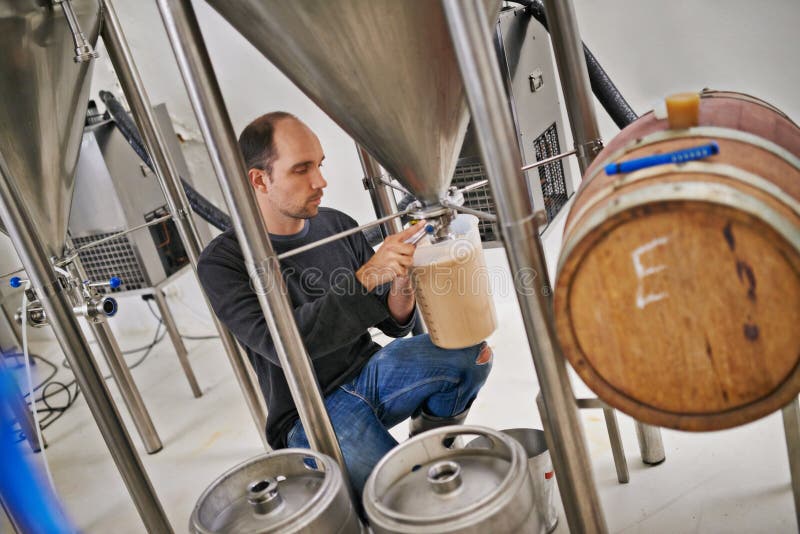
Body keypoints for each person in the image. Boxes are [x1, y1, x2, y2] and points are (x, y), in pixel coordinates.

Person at [197, 111, 492, 494]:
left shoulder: (336, 224)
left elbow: (393, 324)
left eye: (319, 165)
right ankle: (401, 482)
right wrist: (368, 274)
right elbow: (286, 345)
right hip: (312, 411)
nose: (320, 181)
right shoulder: (224, 262)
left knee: (472, 355)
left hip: (370, 371)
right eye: (301, 169)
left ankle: (431, 452)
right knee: (400, 491)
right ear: (260, 179)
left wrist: (402, 281)